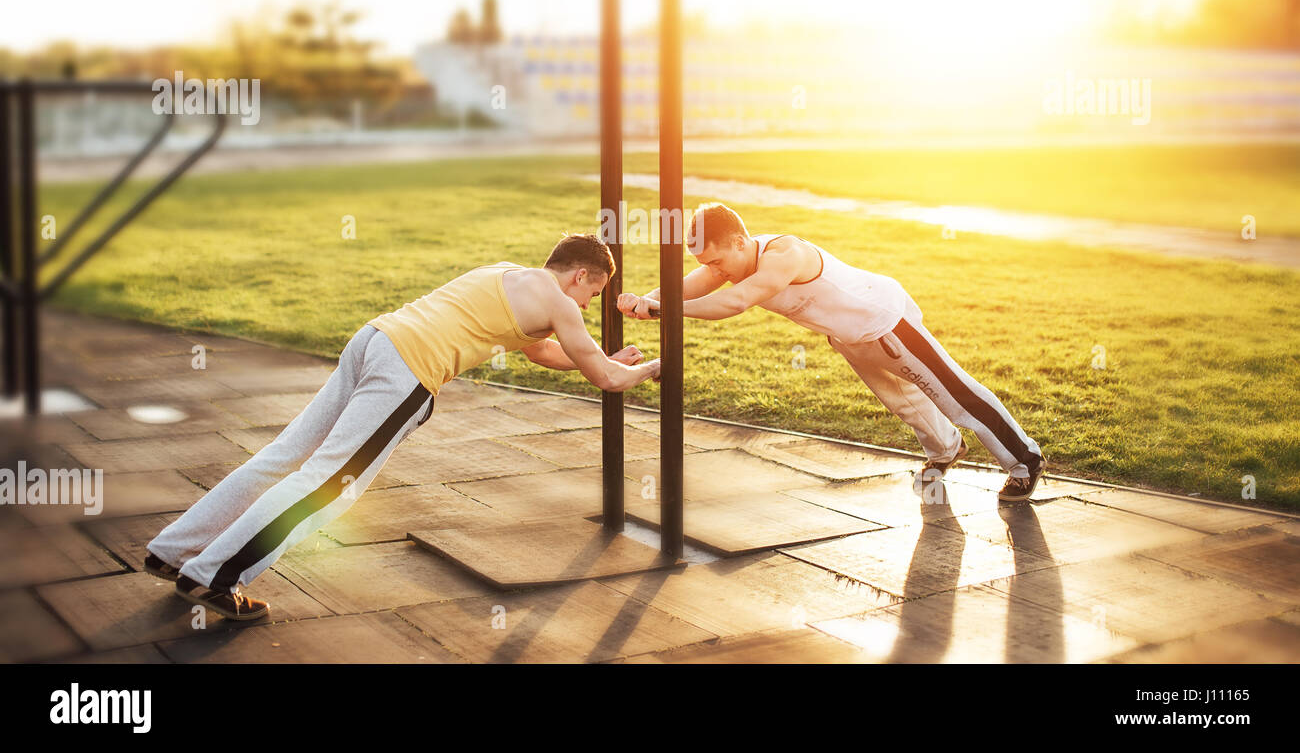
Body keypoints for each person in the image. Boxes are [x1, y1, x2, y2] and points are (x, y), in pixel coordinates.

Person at [145, 233, 659, 621]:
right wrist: (651, 367)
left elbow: (546, 351)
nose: (588, 305)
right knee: (327, 485)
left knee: (283, 458)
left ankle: (172, 552)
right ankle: (212, 577)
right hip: (407, 369)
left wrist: (608, 358)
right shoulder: (560, 302)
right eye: (594, 293)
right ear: (580, 277)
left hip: (373, 339)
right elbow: (605, 377)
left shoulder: (509, 274)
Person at [619, 203, 1045, 502]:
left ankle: (1025, 460)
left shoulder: (784, 255)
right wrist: (643, 300)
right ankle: (945, 451)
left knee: (954, 396)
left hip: (886, 321)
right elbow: (682, 290)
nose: (713, 272)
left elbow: (734, 303)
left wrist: (662, 308)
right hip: (849, 337)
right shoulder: (727, 262)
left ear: (739, 240)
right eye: (706, 264)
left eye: (715, 261)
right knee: (903, 403)